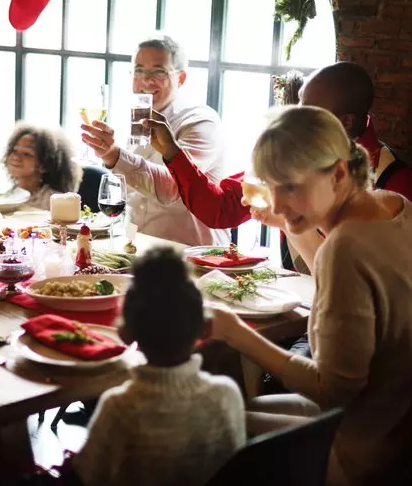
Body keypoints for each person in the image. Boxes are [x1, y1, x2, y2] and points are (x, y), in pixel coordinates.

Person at [208, 106, 412, 485]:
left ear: (337, 173)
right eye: (271, 185)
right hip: (394, 427)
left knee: (209, 428)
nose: (277, 201)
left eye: (290, 186)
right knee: (236, 409)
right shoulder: (393, 205)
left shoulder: (346, 247)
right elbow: (343, 282)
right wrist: (290, 224)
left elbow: (331, 389)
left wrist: (235, 333)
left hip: (364, 455)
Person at [162, 61, 412, 272]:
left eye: (308, 112)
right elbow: (219, 208)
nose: (295, 118)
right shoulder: (290, 157)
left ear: (345, 122)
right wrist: (172, 151)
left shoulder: (396, 185)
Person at [69, 247, 245, 486]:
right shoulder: (226, 395)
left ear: (125, 333)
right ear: (206, 328)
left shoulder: (119, 407)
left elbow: (87, 477)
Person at [81, 33, 230, 246]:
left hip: (191, 253)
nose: (146, 80)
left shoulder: (200, 122)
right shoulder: (140, 116)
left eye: (159, 72)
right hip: (138, 246)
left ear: (181, 78)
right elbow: (134, 192)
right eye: (139, 71)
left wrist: (114, 155)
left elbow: (171, 186)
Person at [2, 121, 83, 210]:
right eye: (14, 150)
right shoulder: (9, 193)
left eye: (26, 154)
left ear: (45, 165)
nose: (15, 157)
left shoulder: (53, 201)